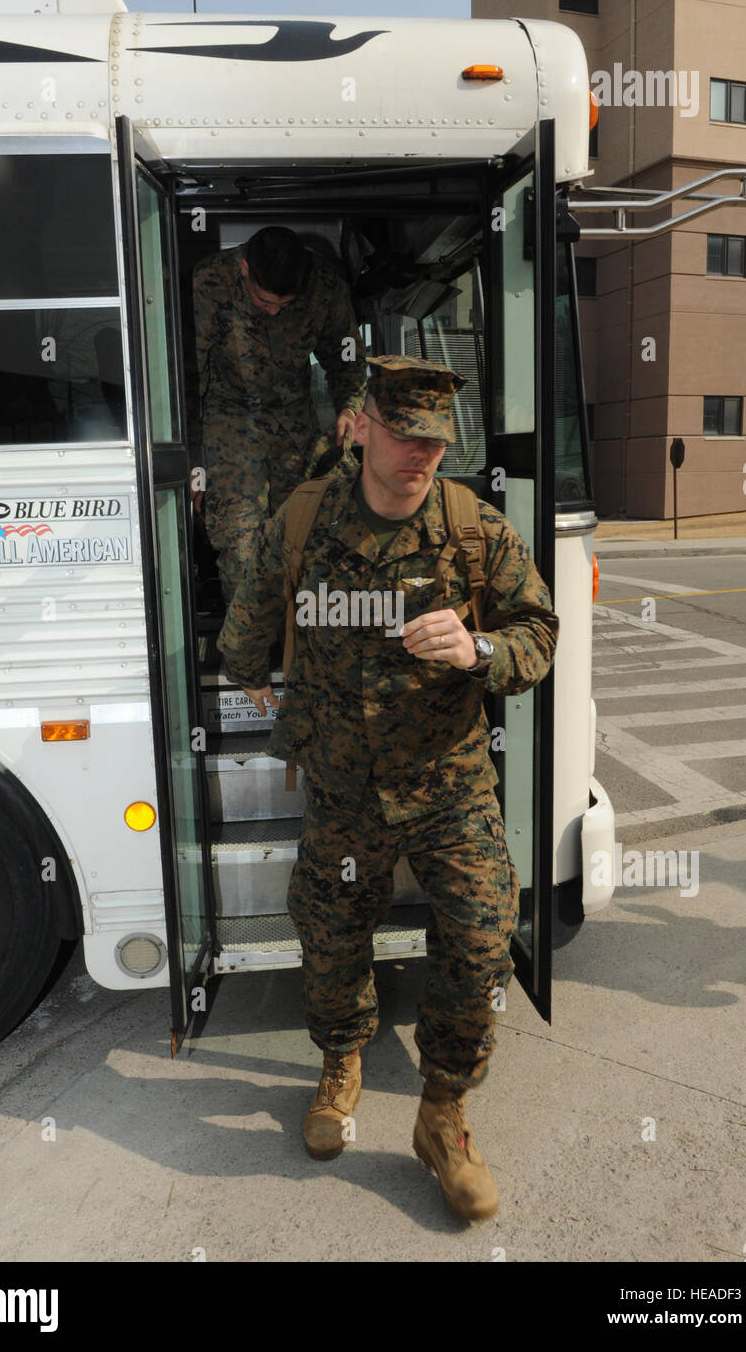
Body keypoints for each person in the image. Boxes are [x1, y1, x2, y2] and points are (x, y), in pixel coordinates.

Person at [216, 355, 559, 1222]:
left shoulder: (474, 529)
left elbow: (537, 634)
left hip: (448, 782)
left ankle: (442, 1115)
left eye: (435, 443)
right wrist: (246, 666)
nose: (420, 457)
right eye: (404, 436)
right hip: (342, 784)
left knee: (483, 937)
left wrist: (479, 649)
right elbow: (250, 614)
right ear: (362, 426)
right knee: (330, 937)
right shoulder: (301, 520)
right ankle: (340, 1065)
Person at [189, 225, 368, 604]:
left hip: (293, 424)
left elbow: (347, 355)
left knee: (300, 540)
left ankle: (296, 646)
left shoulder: (324, 285)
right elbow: (186, 376)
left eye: (284, 306)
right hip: (227, 422)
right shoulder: (208, 283)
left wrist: (350, 408)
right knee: (239, 548)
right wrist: (192, 461)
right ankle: (248, 649)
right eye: (263, 301)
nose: (273, 311)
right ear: (243, 268)